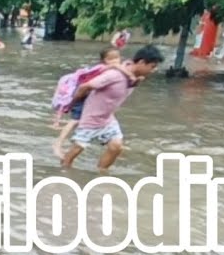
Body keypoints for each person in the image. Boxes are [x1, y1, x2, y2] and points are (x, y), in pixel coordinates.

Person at [61, 45, 164, 173]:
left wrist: (135, 79)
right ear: (142, 62)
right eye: (152, 67)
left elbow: (127, 70)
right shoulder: (115, 75)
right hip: (91, 118)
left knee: (116, 147)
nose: (153, 70)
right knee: (76, 151)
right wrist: (71, 104)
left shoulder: (134, 77)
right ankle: (63, 172)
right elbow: (84, 86)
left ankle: (102, 173)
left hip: (108, 119)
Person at [51, 46, 121, 158]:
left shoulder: (109, 70)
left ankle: (112, 143)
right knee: (75, 121)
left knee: (107, 120)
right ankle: (57, 144)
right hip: (80, 96)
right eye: (111, 59)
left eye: (117, 58)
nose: (115, 61)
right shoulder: (103, 68)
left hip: (89, 97)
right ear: (103, 60)